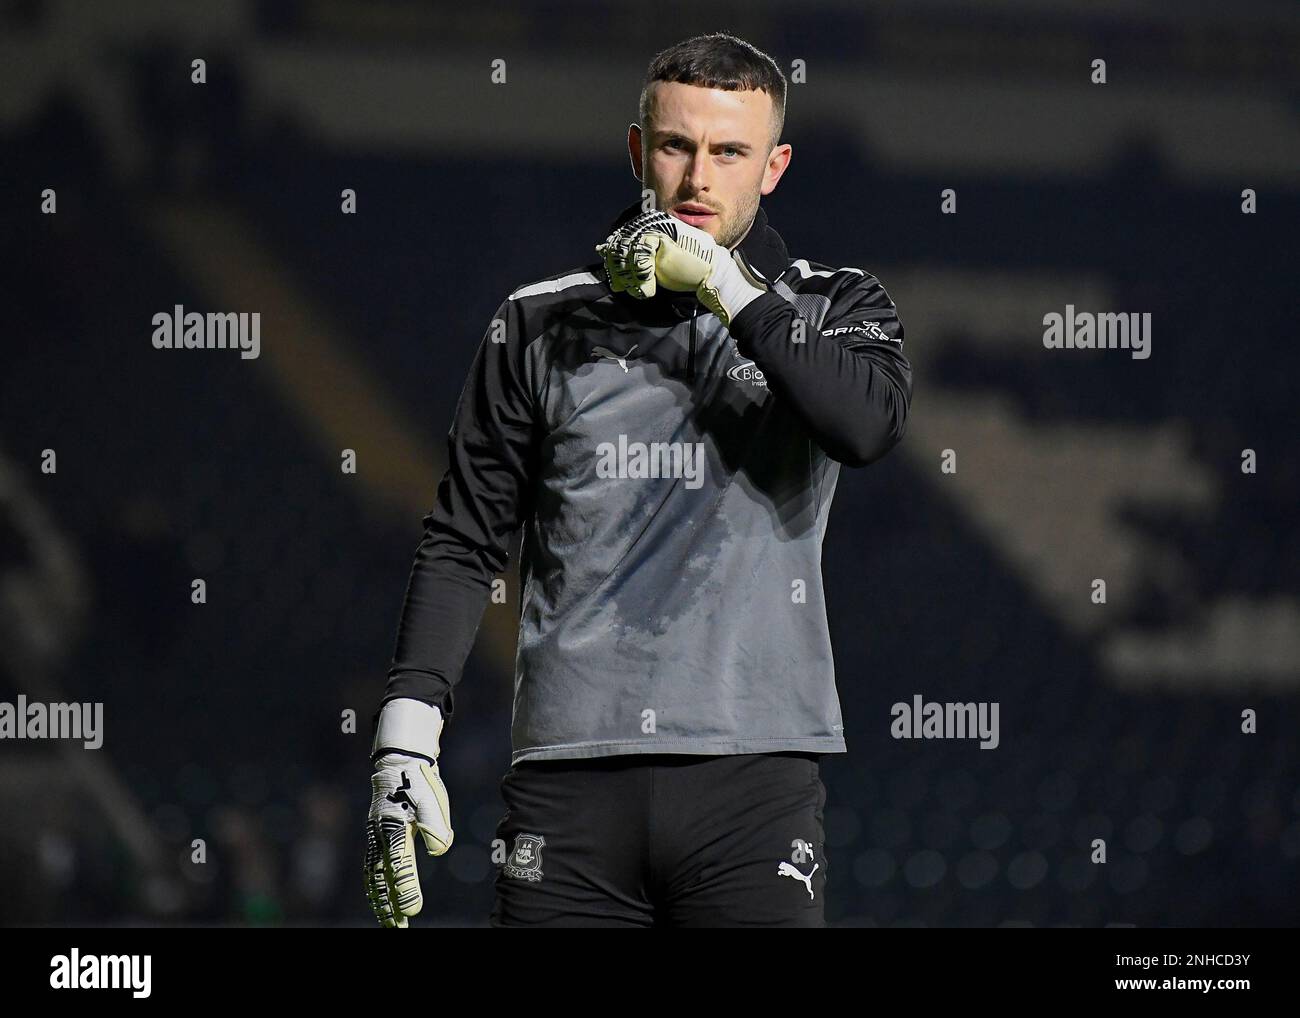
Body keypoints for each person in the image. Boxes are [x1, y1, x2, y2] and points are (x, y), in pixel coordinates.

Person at [364, 31, 912, 928]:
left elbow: (864, 426)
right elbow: (466, 541)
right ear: (636, 150)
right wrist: (404, 740)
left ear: (773, 167)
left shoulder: (835, 305)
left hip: (754, 786)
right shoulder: (537, 322)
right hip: (566, 788)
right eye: (676, 146)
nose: (700, 176)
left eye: (730, 152)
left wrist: (731, 292)